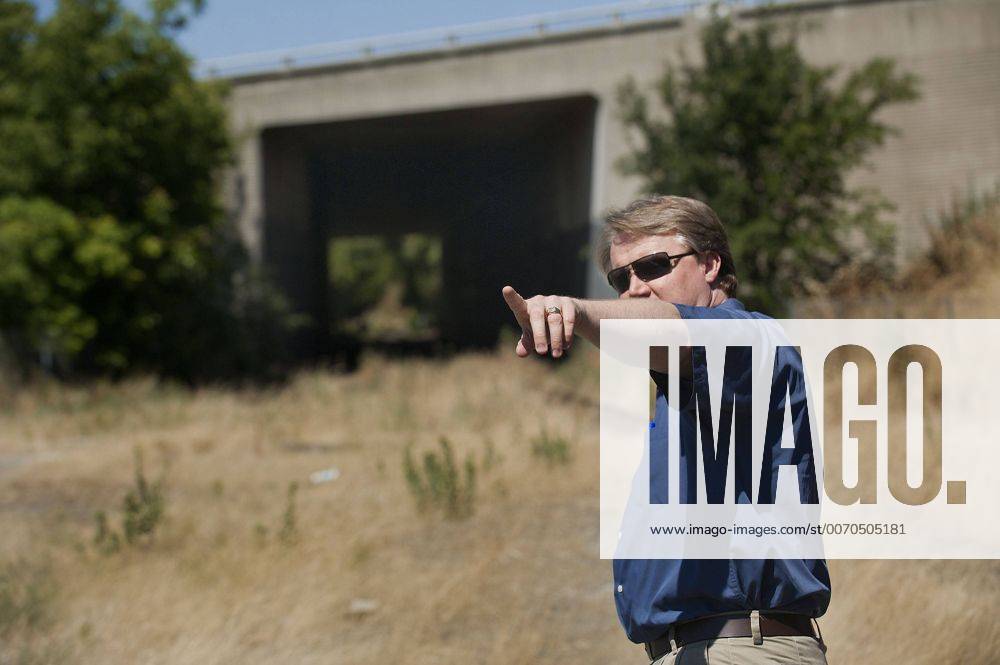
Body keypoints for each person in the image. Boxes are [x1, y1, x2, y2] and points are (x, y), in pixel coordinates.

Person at [501, 195, 830, 665]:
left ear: (711, 264)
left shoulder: (748, 338)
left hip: (741, 648)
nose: (635, 288)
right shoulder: (680, 384)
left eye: (654, 266)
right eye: (620, 278)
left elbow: (668, 331)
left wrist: (575, 310)